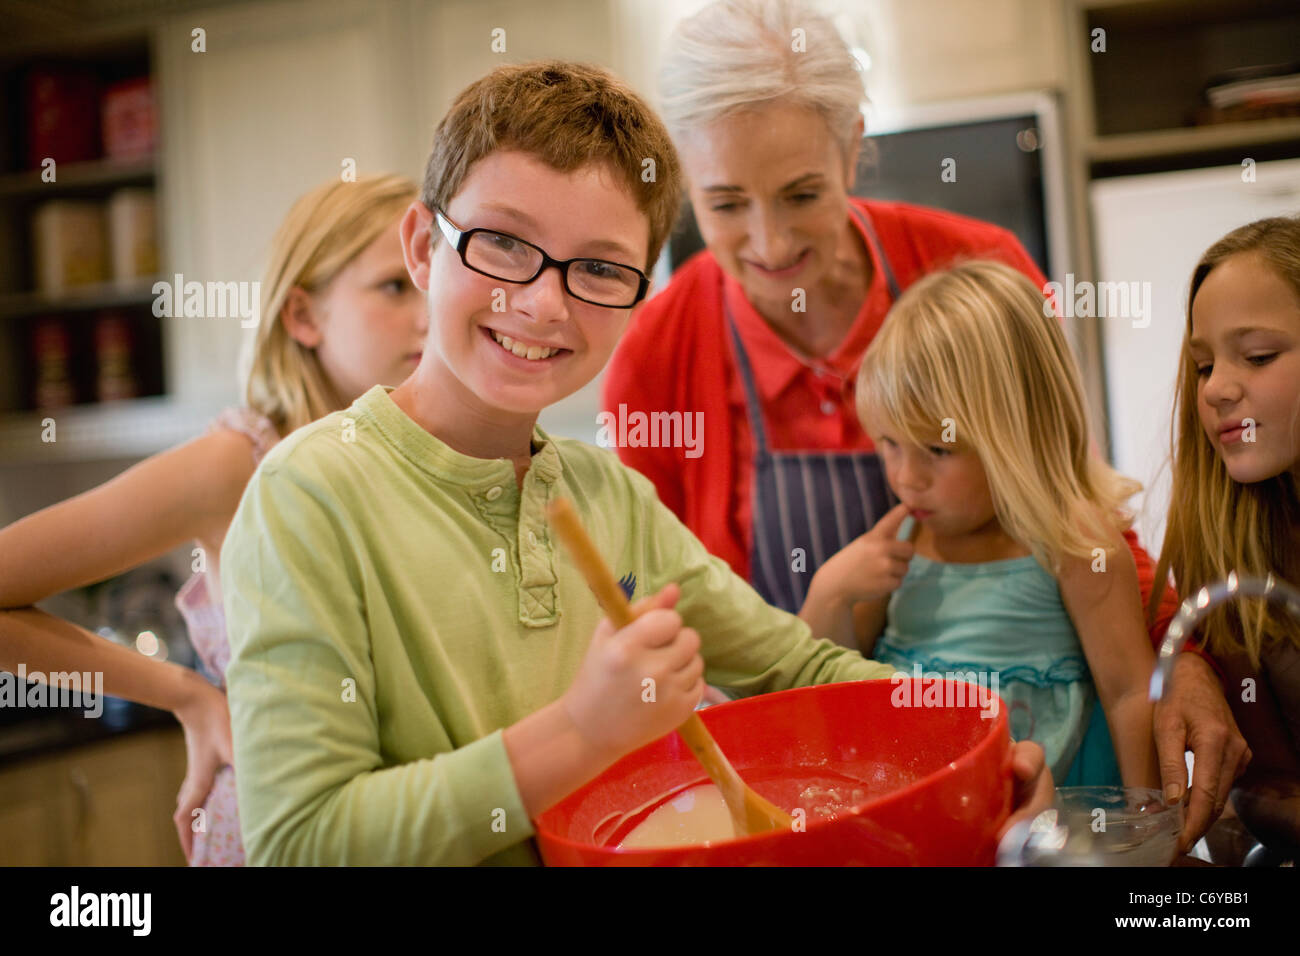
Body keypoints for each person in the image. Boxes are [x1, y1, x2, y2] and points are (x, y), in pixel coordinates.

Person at [218, 60, 1053, 866]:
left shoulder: (607, 497)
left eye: (598, 269)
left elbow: (796, 671)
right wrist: (580, 732)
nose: (543, 302)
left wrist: (974, 744)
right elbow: (300, 843)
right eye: (502, 242)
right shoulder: (308, 496)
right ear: (422, 246)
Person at [600, 0, 1247, 848]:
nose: (770, 240)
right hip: (802, 769)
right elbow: (657, 604)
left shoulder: (980, 269)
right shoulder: (653, 353)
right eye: (724, 204)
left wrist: (1182, 662)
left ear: (853, 146)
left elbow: (1070, 498)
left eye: (803, 192)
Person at [0, 173, 424, 864]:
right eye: (394, 286)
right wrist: (187, 695)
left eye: (432, 279)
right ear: (304, 318)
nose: (430, 315)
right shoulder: (237, 463)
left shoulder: (417, 452)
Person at [799, 260, 1159, 787]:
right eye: (889, 444)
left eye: (938, 449)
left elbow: (1129, 691)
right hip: (925, 814)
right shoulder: (902, 538)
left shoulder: (1074, 543)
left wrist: (1149, 820)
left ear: (1022, 433)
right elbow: (822, 680)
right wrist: (830, 593)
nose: (906, 478)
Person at [1152, 215, 1300, 853]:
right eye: (1204, 364)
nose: (1216, 389)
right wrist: (1192, 662)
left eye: (1258, 356)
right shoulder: (1217, 534)